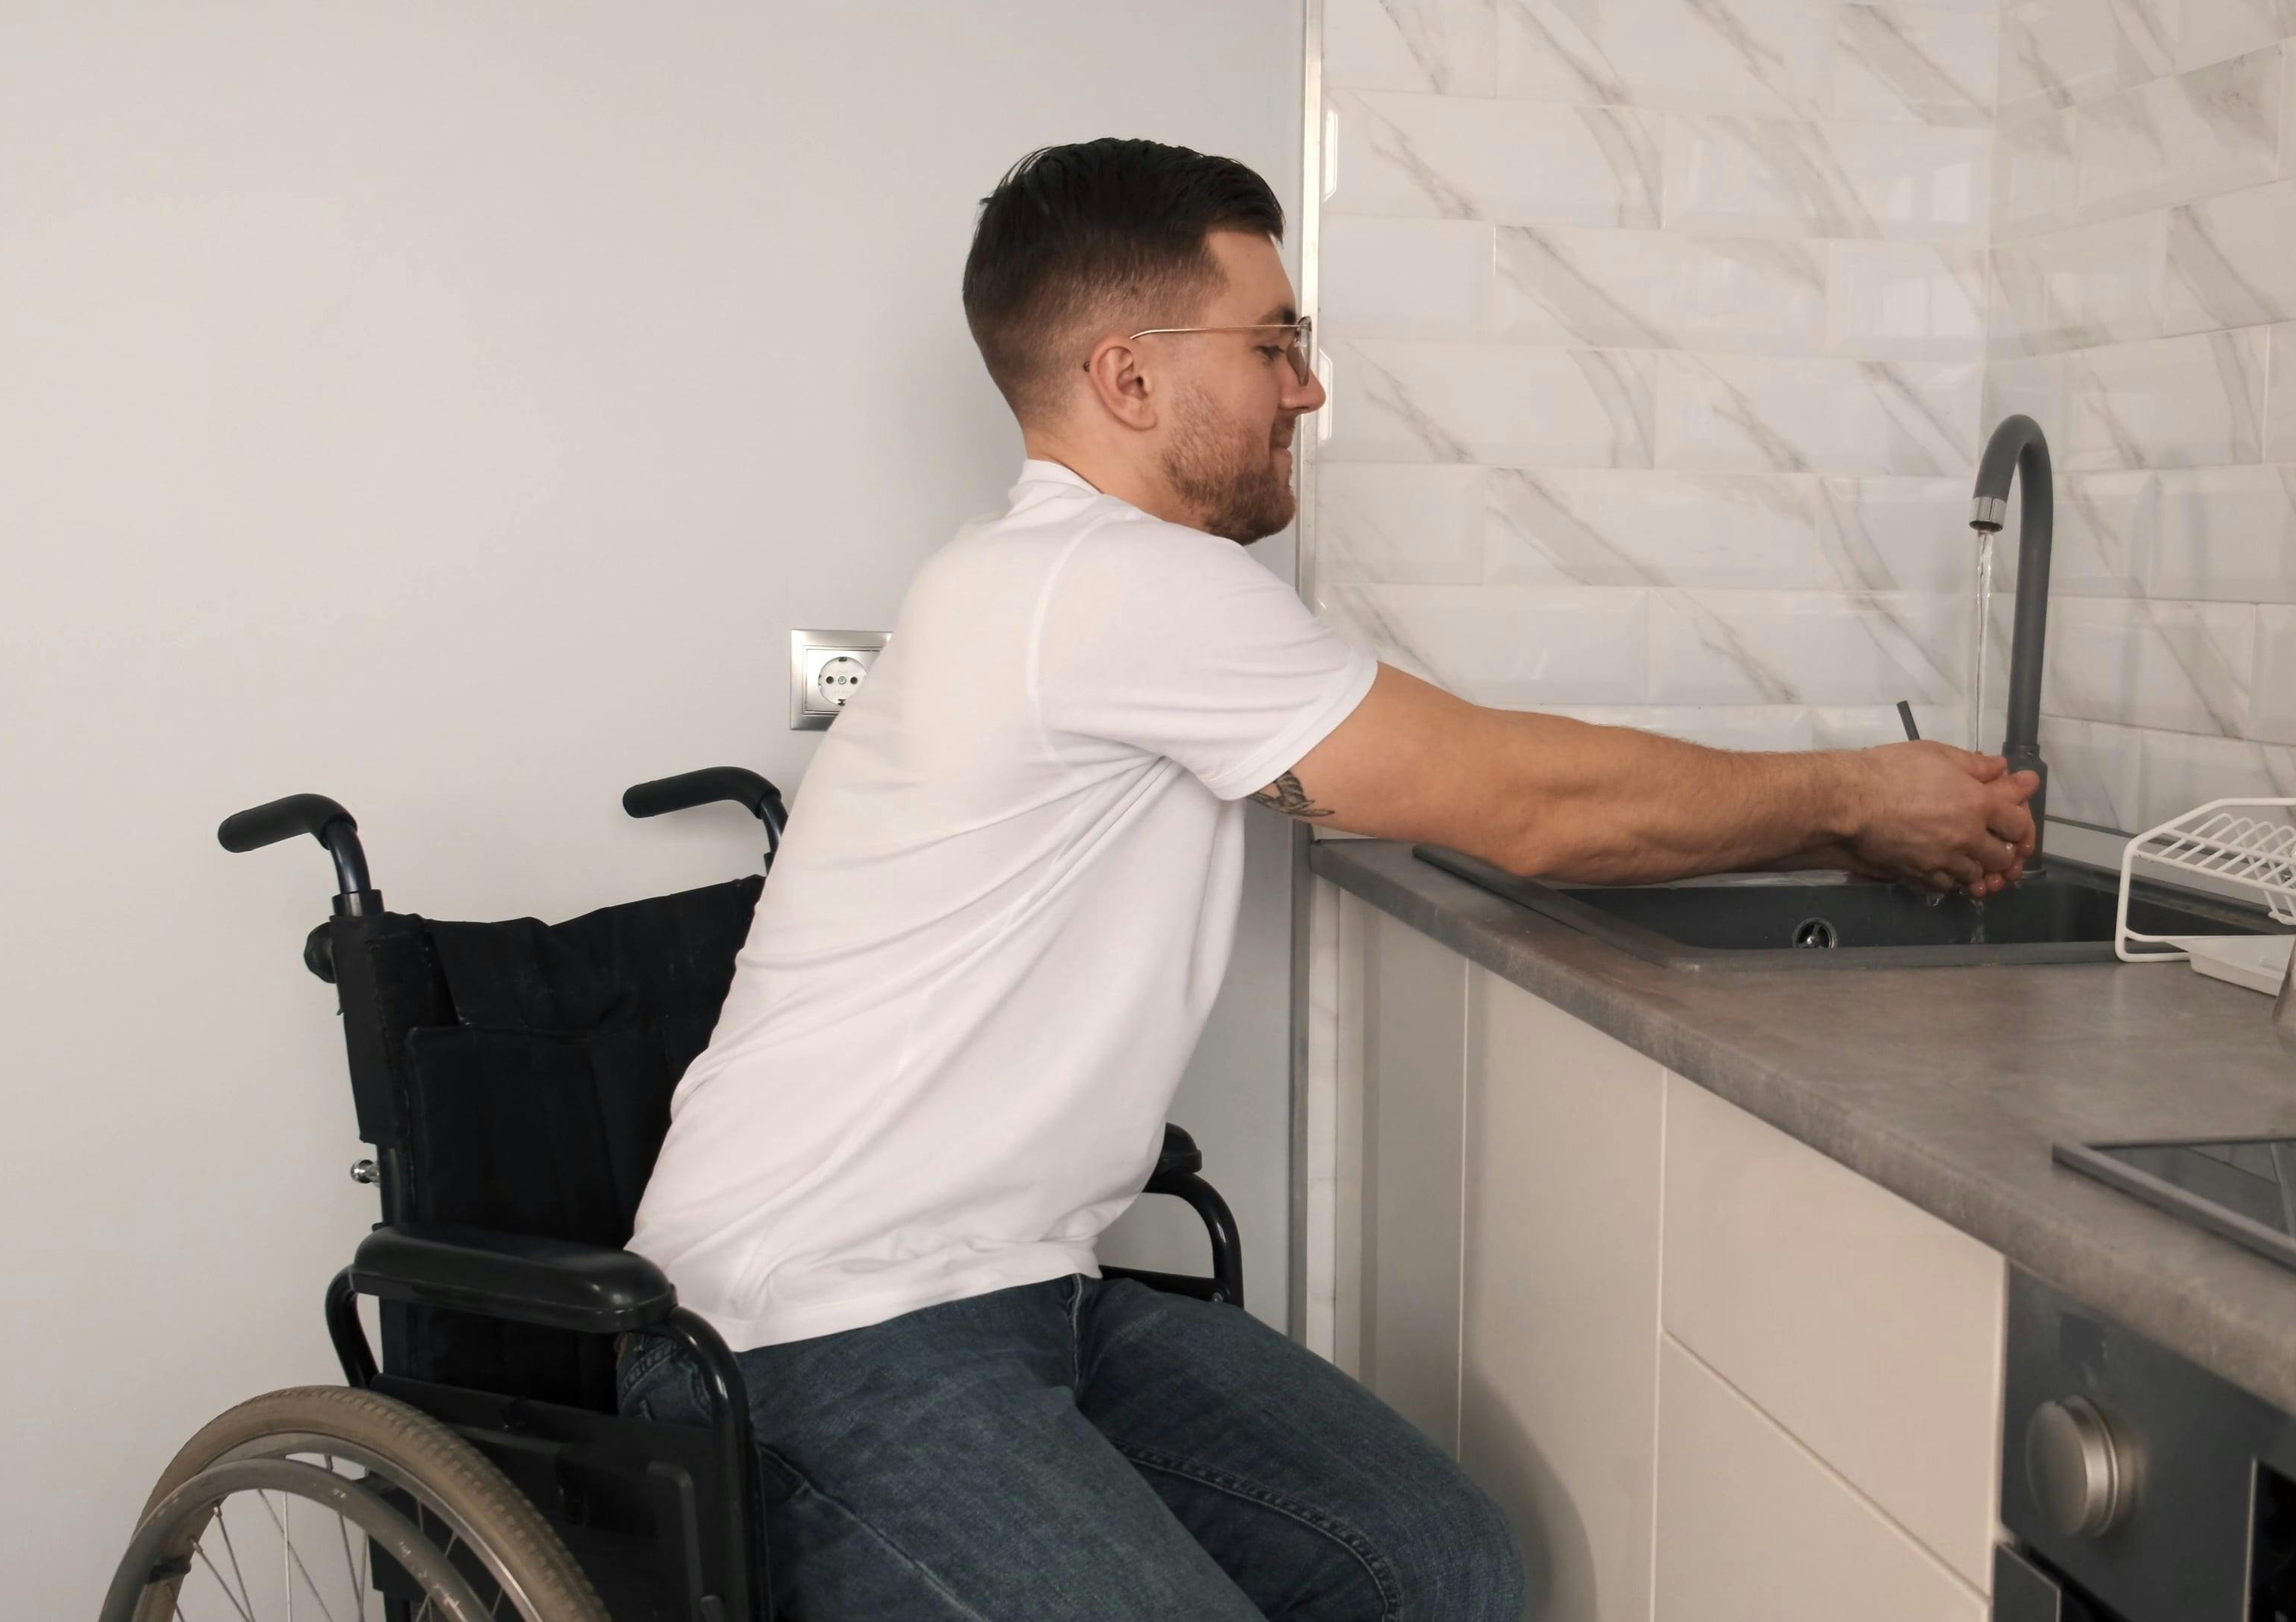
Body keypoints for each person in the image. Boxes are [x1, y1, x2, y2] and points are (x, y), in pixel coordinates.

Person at [622, 137, 2037, 1620]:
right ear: (1129, 380)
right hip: (804, 1336)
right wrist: (1860, 800)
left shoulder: (1073, 589)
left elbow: (1475, 778)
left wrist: (1847, 830)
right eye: (1275, 343)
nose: (1306, 388)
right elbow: (1531, 805)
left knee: (1439, 1565)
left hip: (1015, 1294)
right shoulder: (1106, 586)